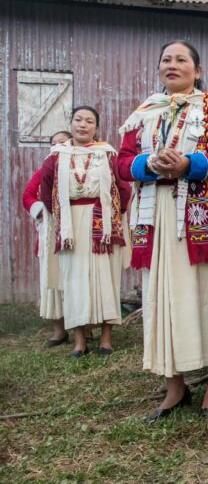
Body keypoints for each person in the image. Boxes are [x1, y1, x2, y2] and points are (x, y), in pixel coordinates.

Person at [117, 40, 208, 422]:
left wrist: (191, 162)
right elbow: (122, 163)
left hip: (203, 223)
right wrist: (149, 163)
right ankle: (175, 387)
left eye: (181, 59)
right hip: (156, 219)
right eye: (166, 60)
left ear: (198, 70)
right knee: (162, 302)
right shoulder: (143, 114)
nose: (172, 65)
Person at [40, 108, 130, 358]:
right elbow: (46, 191)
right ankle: (79, 340)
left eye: (89, 121)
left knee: (105, 278)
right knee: (74, 280)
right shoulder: (56, 156)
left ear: (96, 127)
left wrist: (111, 218)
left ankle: (106, 338)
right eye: (78, 120)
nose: (83, 125)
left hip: (103, 226)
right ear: (70, 123)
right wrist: (63, 220)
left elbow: (123, 188)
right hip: (71, 226)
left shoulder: (108, 153)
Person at [23, 130, 70, 347]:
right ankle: (59, 330)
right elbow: (28, 196)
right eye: (53, 143)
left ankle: (84, 329)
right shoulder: (43, 171)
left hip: (73, 233)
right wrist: (45, 213)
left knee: (74, 280)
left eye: (62, 142)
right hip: (49, 233)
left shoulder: (80, 167)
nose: (57, 146)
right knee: (51, 282)